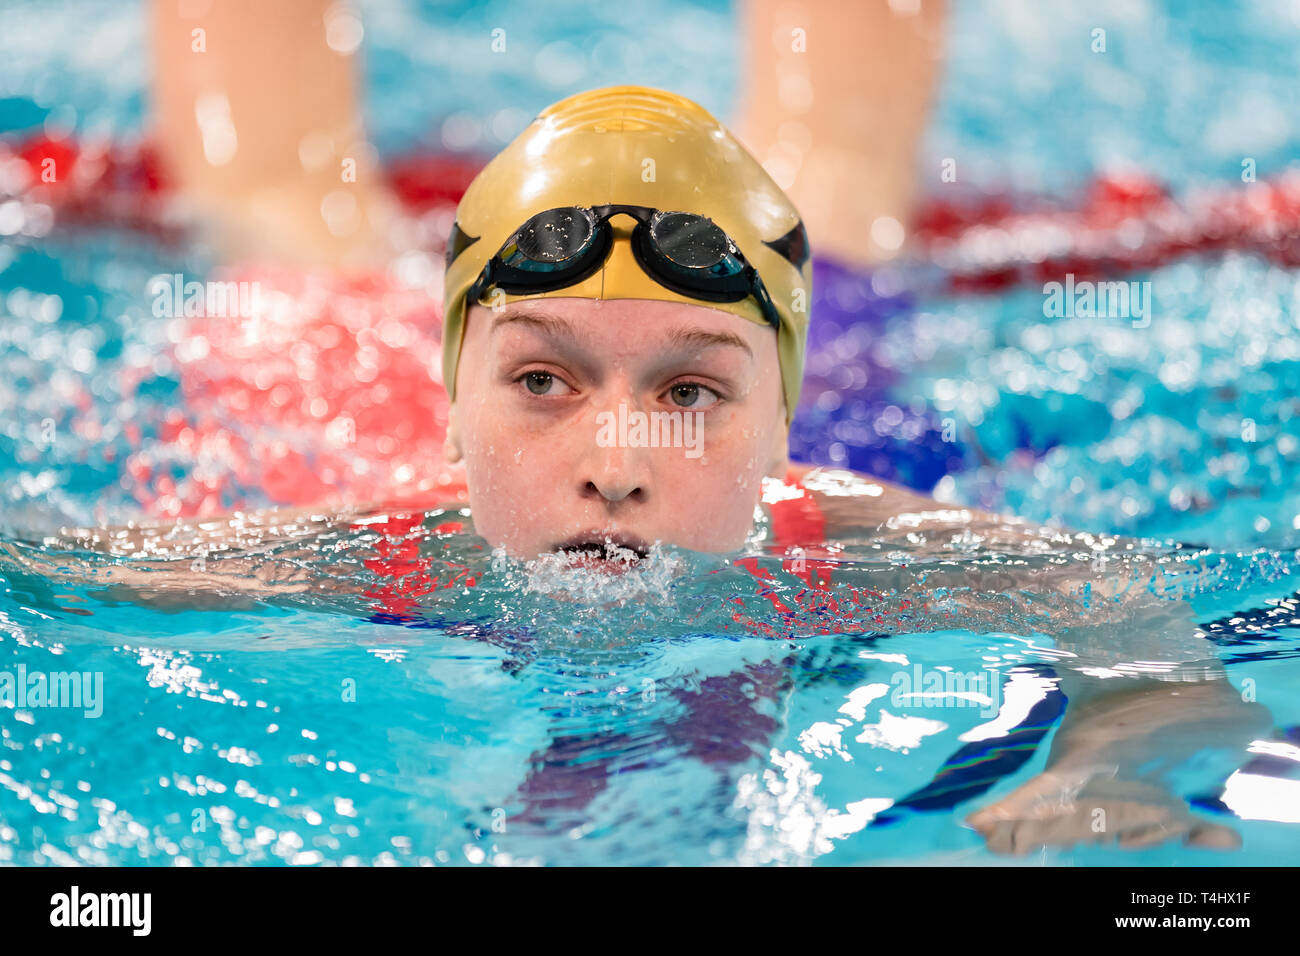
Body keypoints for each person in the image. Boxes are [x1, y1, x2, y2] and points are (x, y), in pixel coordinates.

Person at [4, 5, 1274, 857]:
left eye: (688, 394)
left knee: (834, 178)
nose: (616, 464)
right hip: (339, 398)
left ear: (780, 424)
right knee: (273, 206)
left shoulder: (846, 529)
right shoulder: (362, 545)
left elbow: (1132, 605)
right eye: (541, 382)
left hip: (824, 395)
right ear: (458, 410)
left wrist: (1125, 762)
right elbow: (51, 571)